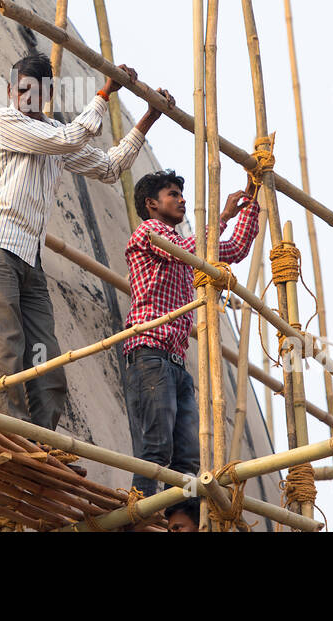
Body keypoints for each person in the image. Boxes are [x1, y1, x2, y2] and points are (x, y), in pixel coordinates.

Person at [0, 54, 168, 429]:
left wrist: (147, 120)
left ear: (46, 95)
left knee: (50, 363)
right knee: (8, 348)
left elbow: (109, 168)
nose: (25, 98)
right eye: (20, 89)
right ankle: (13, 433)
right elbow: (67, 138)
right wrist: (105, 93)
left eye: (35, 92)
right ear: (11, 91)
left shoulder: (53, 137)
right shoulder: (6, 121)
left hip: (30, 259)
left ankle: (43, 441)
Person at [121, 170, 262, 497]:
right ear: (152, 204)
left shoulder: (184, 249)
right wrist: (224, 215)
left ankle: (178, 519)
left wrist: (251, 197)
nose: (182, 199)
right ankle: (140, 510)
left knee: (186, 458)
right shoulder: (150, 232)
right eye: (173, 194)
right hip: (150, 353)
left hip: (174, 361)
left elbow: (234, 249)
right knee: (157, 446)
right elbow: (187, 249)